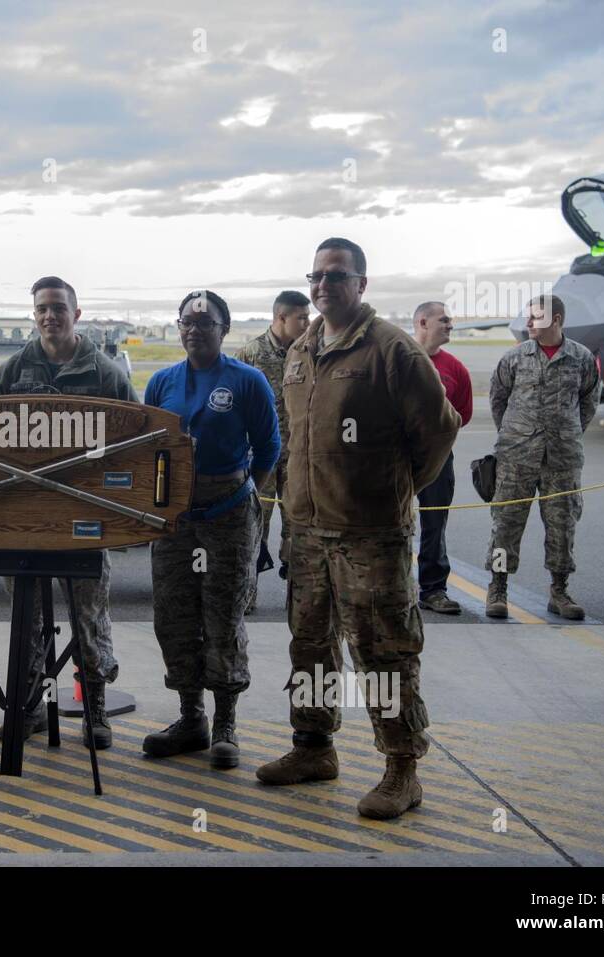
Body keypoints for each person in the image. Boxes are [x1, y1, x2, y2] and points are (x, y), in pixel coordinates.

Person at [255, 238, 460, 819]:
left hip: (371, 534)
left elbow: (439, 429)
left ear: (361, 284)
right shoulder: (302, 349)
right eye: (316, 276)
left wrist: (393, 488)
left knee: (383, 652)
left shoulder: (391, 350)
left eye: (336, 276)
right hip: (307, 530)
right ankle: (314, 748)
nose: (323, 285)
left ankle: (402, 768)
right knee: (311, 647)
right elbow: (295, 436)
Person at [0, 276, 139, 749]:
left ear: (77, 312)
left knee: (89, 616)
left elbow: (134, 440)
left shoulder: (106, 373)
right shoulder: (12, 372)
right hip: (26, 520)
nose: (50, 316)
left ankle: (95, 709)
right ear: (35, 315)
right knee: (27, 618)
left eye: (59, 308)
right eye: (42, 309)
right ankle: (29, 706)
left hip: (86, 518)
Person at [142, 290, 279, 769]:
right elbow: (150, 449)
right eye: (187, 322)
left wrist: (242, 497)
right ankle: (190, 717)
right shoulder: (161, 382)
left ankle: (225, 723)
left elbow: (268, 447)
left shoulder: (248, 381)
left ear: (224, 328)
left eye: (206, 322)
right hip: (176, 518)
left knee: (223, 617)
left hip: (229, 515)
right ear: (177, 327)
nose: (195, 329)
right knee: (174, 616)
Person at [486, 294, 600, 620]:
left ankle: (559, 591)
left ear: (558, 320)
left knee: (562, 528)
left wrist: (567, 435)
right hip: (516, 458)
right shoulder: (514, 358)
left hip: (562, 460)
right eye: (529, 316)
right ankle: (498, 588)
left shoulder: (581, 358)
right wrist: (514, 435)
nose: (529, 323)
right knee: (505, 526)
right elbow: (498, 399)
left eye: (535, 317)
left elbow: (588, 403)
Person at [236, 290, 310, 611]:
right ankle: (247, 593)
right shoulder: (250, 354)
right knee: (254, 525)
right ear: (282, 318)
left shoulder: (309, 353)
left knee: (299, 527)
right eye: (302, 318)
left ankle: (301, 596)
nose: (308, 324)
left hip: (297, 455)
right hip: (260, 456)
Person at [411, 301, 473, 615]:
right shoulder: (395, 358)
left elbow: (463, 414)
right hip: (395, 458)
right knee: (387, 522)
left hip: (438, 458)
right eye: (444, 320)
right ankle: (386, 589)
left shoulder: (455, 368)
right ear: (423, 322)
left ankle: (433, 590)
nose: (450, 325)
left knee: (435, 523)